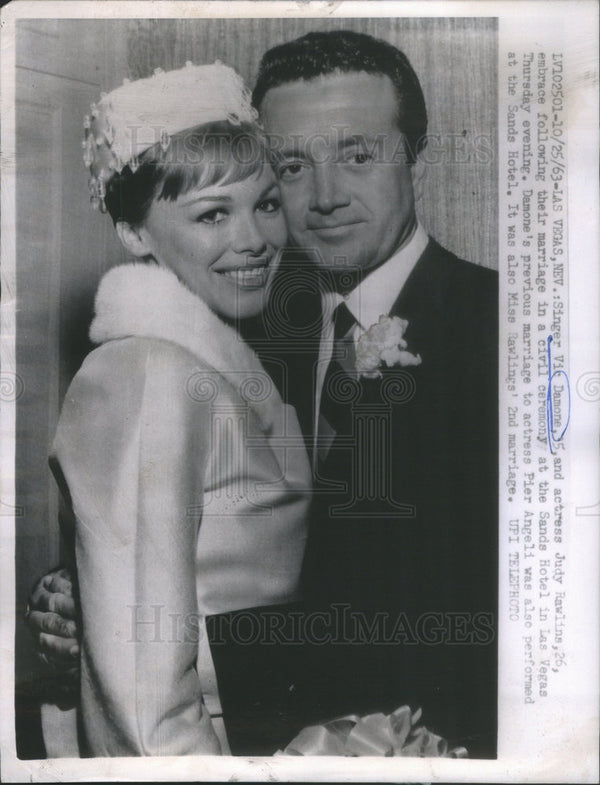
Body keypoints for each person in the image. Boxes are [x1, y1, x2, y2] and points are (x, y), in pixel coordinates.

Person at [29, 30, 497, 757]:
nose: (327, 198)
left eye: (358, 155)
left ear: (418, 157)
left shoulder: (508, 329)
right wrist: (97, 604)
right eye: (294, 167)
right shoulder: (236, 335)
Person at [36, 61, 313, 757]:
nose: (254, 240)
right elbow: (140, 699)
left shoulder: (217, 364)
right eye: (213, 214)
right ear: (135, 232)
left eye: (266, 204)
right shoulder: (148, 372)